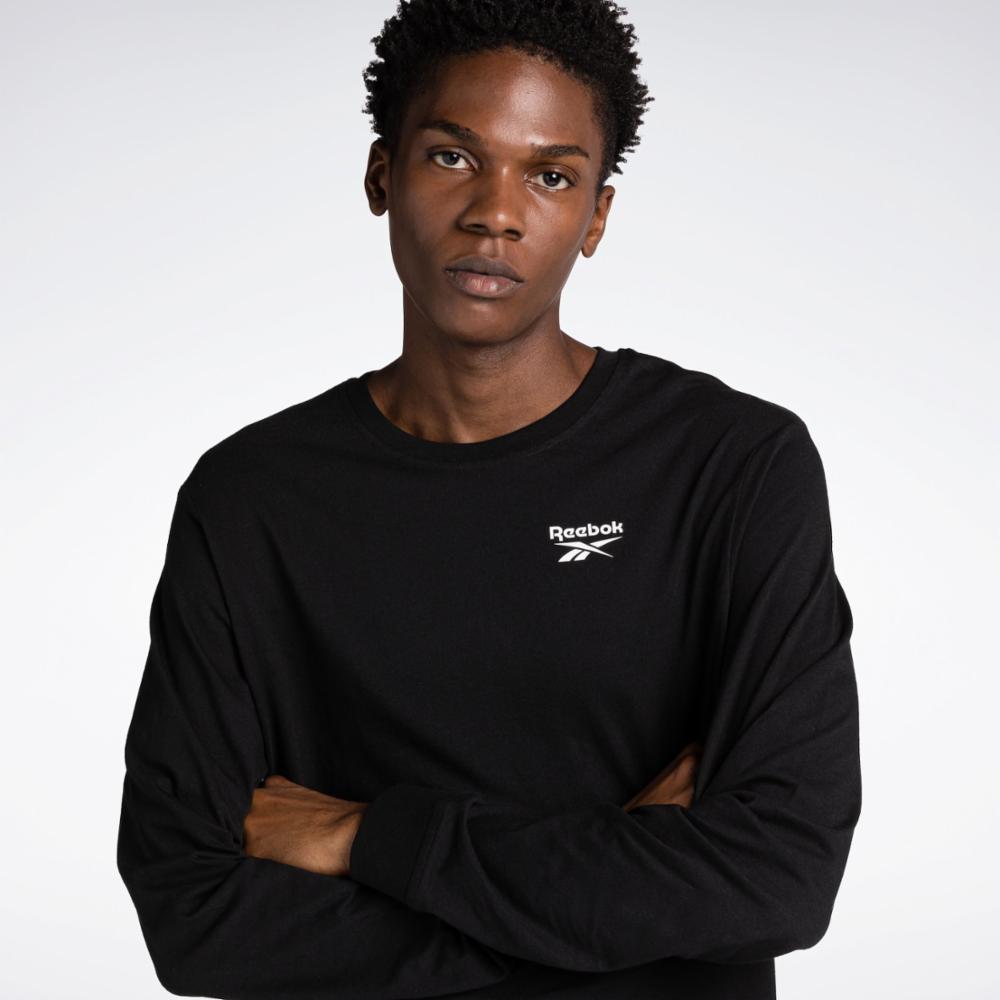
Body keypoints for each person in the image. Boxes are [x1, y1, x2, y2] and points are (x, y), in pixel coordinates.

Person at [116, 2, 862, 998]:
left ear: (596, 217)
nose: (494, 212)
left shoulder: (733, 466)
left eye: (550, 175)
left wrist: (367, 837)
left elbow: (776, 880)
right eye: (452, 157)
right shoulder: (251, 498)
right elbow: (193, 918)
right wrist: (608, 897)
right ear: (382, 175)